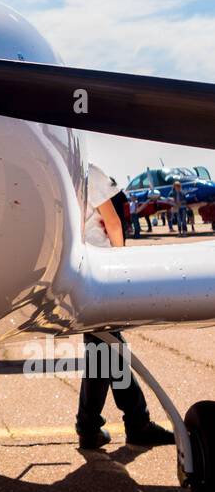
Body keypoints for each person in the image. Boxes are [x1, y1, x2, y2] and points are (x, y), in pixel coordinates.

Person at [76, 163, 174, 450]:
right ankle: (94, 426)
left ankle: (131, 422)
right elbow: (113, 221)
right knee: (105, 349)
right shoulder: (86, 171)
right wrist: (122, 263)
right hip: (102, 268)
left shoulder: (51, 173)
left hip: (79, 268)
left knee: (108, 348)